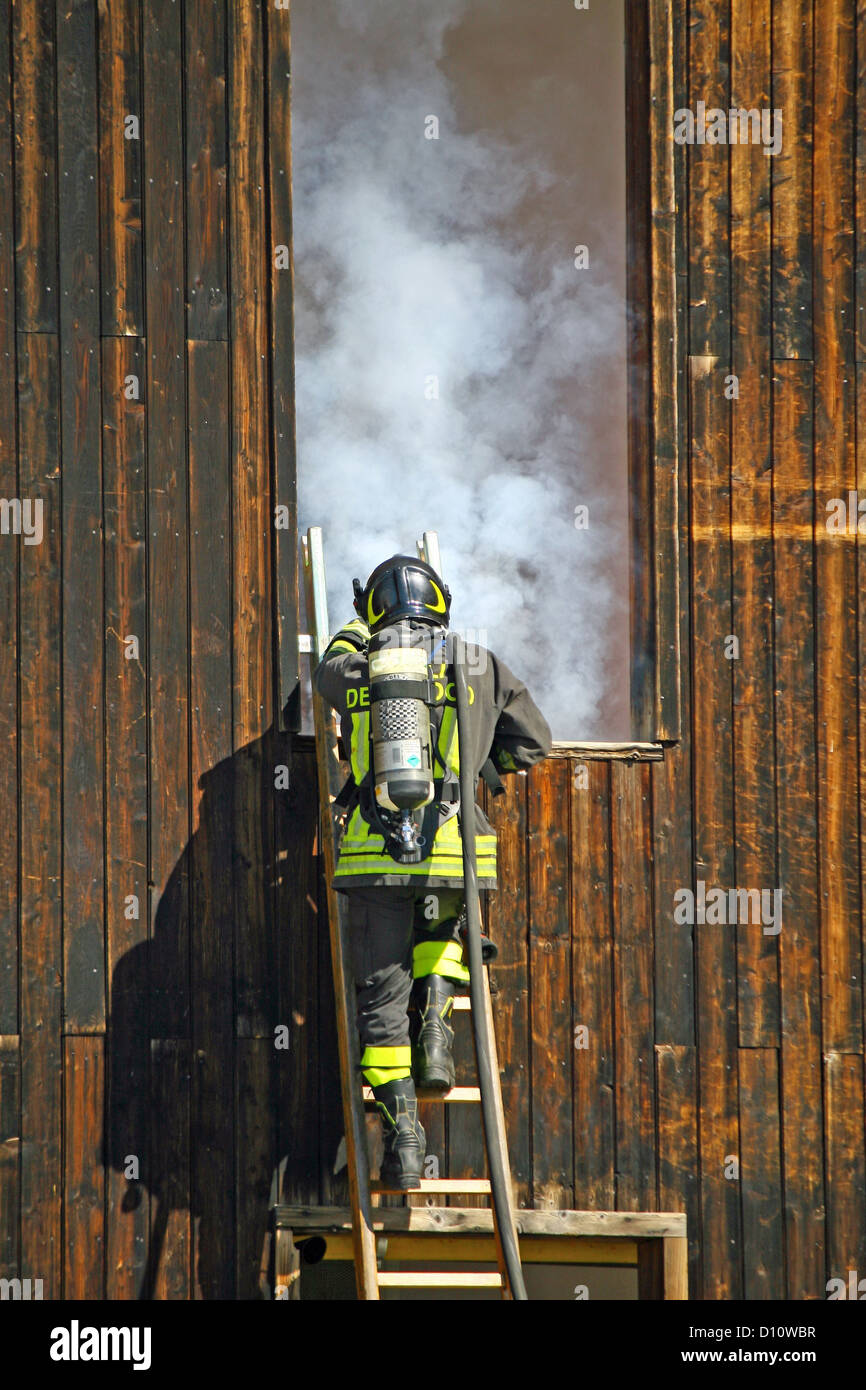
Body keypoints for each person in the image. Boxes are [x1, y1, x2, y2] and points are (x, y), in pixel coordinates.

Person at [313, 554, 552, 1189]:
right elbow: (535, 742)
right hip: (458, 853)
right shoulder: (479, 661)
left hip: (373, 862)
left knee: (380, 998)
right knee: (443, 942)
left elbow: (325, 671)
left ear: (373, 612)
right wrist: (479, 771)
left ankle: (404, 1142)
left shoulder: (355, 666)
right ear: (441, 601)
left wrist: (354, 630)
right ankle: (438, 1038)